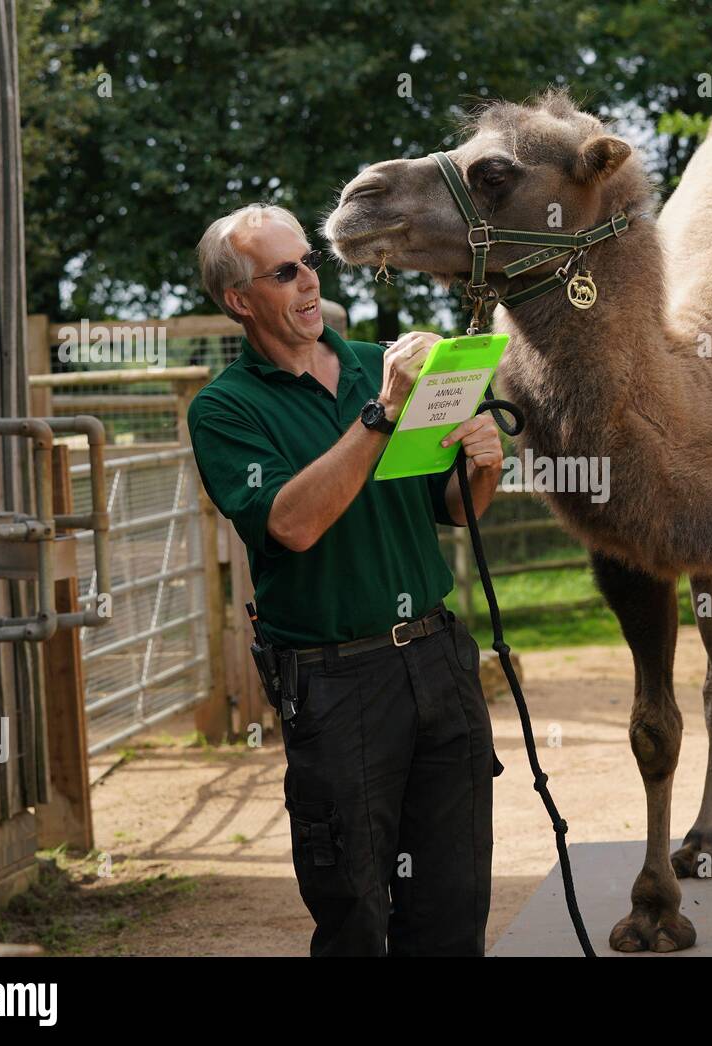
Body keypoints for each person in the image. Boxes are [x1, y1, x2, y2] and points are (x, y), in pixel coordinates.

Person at [188, 203, 504, 956]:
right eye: (284, 271)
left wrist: (484, 459)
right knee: (354, 912)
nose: (307, 282)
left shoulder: (373, 359)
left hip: (437, 660)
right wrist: (382, 413)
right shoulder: (226, 409)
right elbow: (292, 525)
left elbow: (455, 508)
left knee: (453, 904)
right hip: (335, 686)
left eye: (310, 263)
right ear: (239, 299)